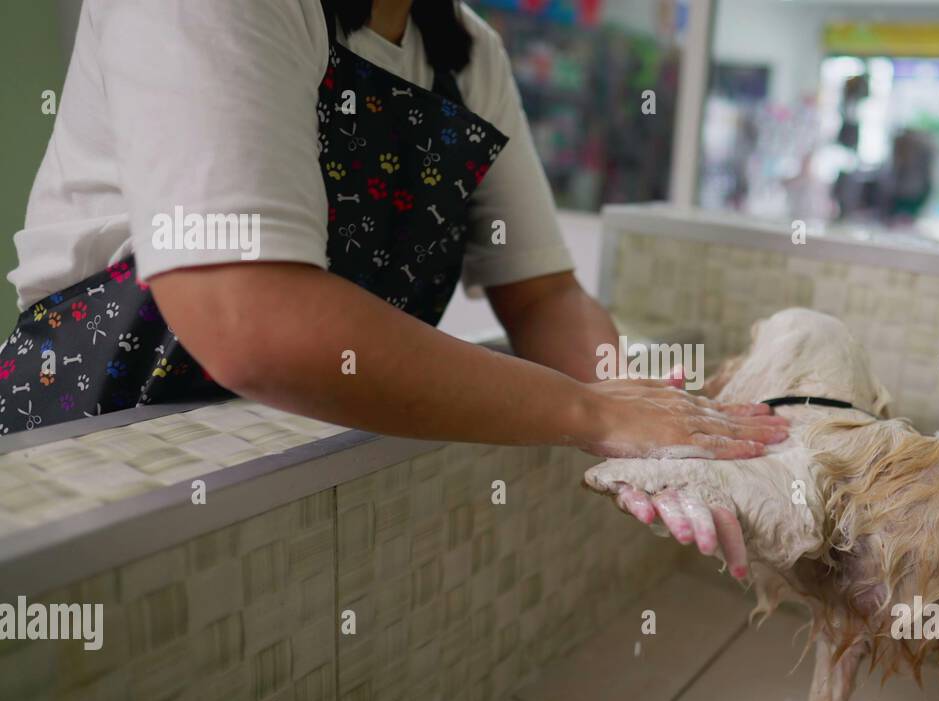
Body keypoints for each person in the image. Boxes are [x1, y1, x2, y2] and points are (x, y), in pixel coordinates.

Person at [0, 0, 782, 558]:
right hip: (85, 454)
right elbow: (247, 316)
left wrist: (643, 417)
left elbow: (542, 292)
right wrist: (588, 411)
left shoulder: (468, 54)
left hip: (281, 466)